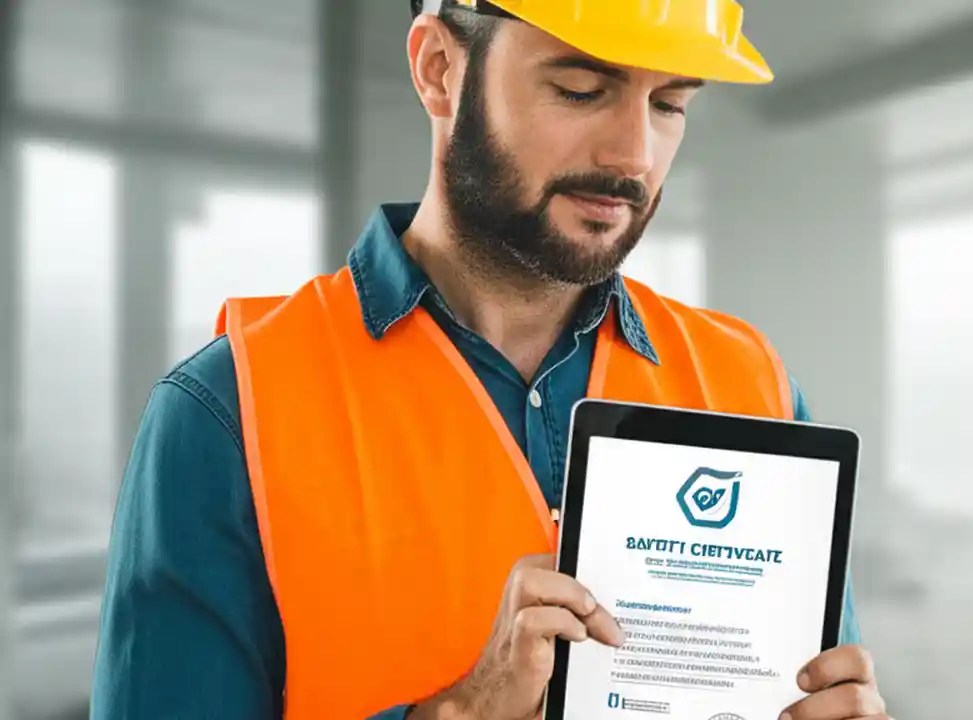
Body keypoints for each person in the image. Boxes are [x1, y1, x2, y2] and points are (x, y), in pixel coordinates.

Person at [90, 1, 891, 718]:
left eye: (669, 102)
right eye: (580, 88)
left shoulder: (751, 385)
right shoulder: (231, 412)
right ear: (439, 69)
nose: (634, 154)